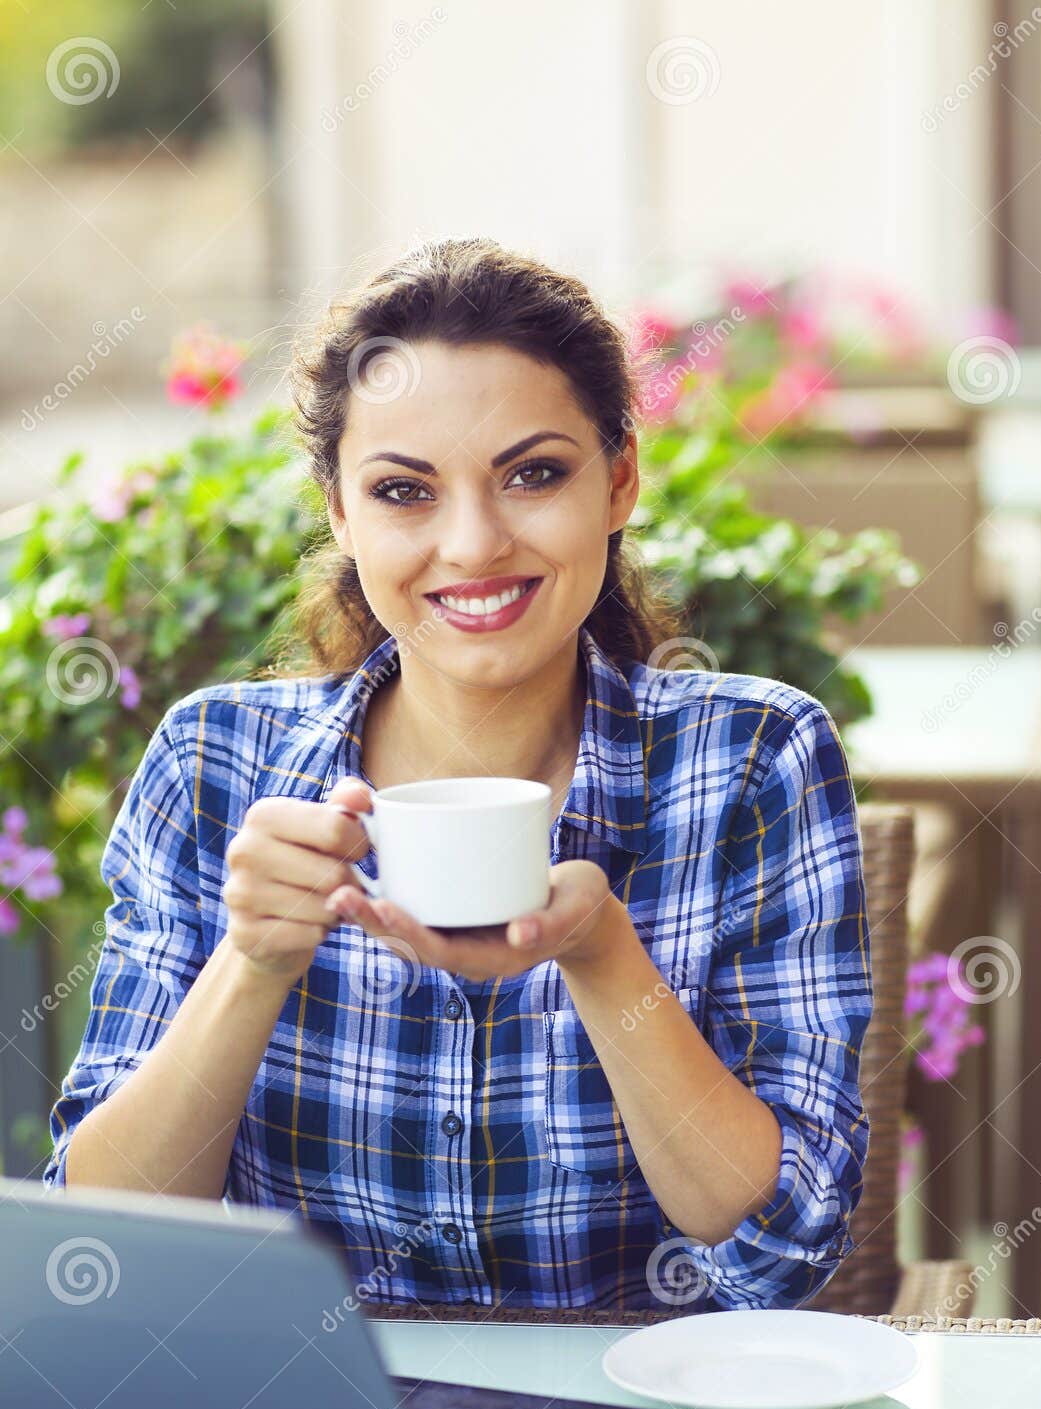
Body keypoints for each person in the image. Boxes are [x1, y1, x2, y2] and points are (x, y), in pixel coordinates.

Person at [44, 236, 872, 1312]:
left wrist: (604, 960)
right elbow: (109, 1250)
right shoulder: (214, 765)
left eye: (533, 474)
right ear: (339, 512)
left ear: (618, 480)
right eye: (403, 491)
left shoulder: (751, 762)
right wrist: (248, 967)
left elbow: (783, 1252)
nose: (474, 543)